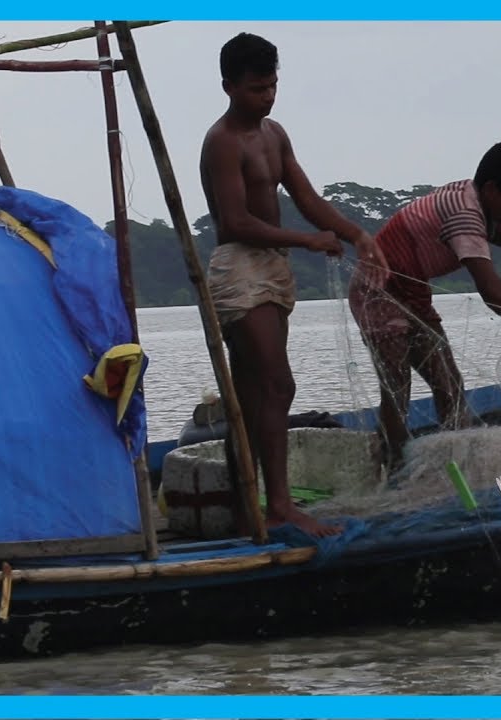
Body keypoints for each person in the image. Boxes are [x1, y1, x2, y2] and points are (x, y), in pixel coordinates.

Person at [199, 32, 388, 538]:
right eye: (257, 88)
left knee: (255, 390)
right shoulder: (222, 142)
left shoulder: (275, 134)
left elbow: (306, 196)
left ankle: (249, 508)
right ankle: (278, 505)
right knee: (276, 383)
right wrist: (308, 241)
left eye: (273, 85)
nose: (268, 96)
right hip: (240, 267)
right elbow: (235, 222)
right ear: (229, 86)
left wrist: (353, 233)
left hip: (273, 264)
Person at [348, 141, 501, 471]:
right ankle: (392, 468)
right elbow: (491, 290)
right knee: (397, 388)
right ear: (492, 189)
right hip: (377, 293)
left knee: (449, 384)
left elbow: (491, 230)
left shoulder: (471, 195)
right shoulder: (464, 214)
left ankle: (459, 459)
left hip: (413, 294)